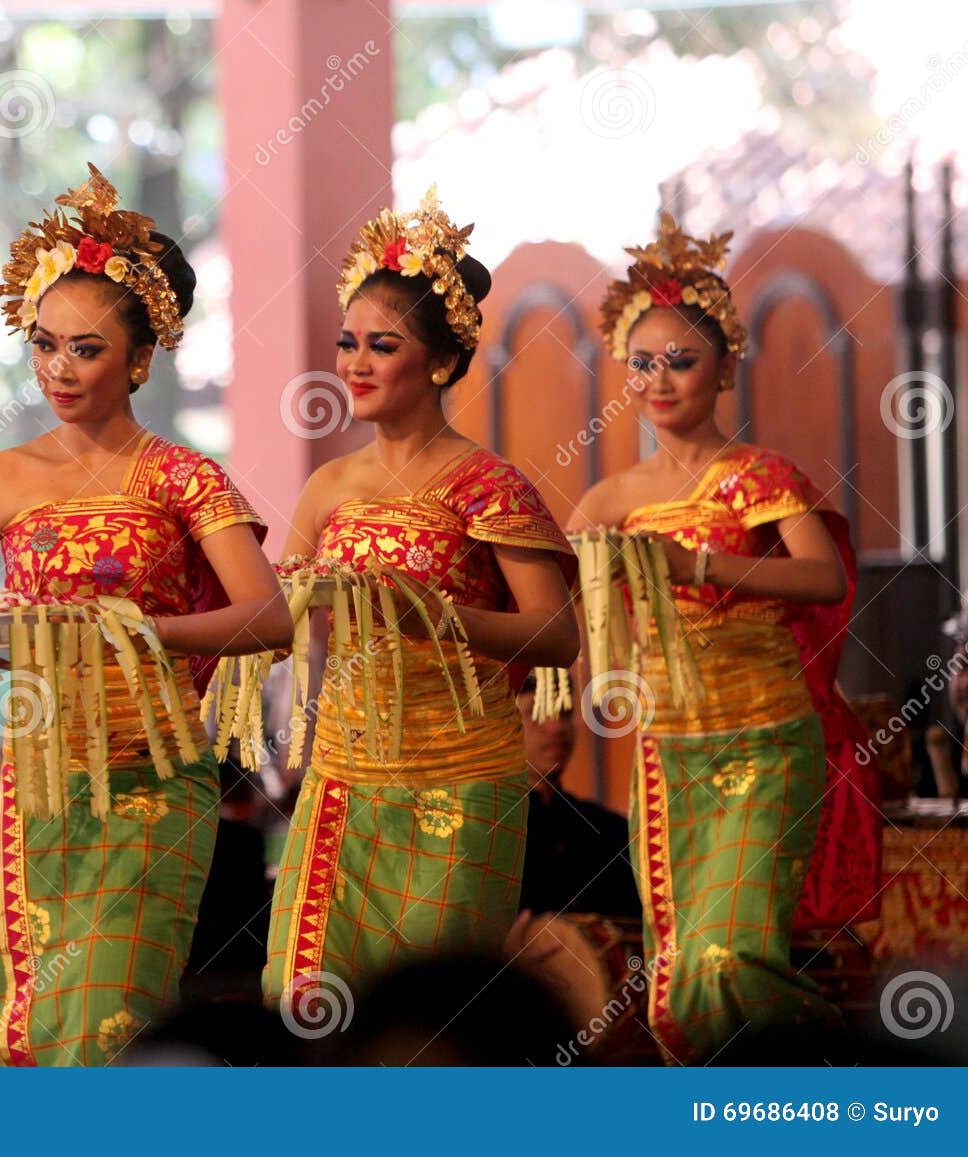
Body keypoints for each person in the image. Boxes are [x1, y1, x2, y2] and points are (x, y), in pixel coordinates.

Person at [0, 166, 291, 1065]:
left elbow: (268, 619)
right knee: (31, 1033)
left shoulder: (183, 476)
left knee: (108, 1025)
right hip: (36, 785)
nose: (57, 369)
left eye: (85, 349)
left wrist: (135, 632)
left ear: (140, 359)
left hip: (153, 780)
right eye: (43, 344)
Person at [263, 188, 579, 1011]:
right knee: (303, 997)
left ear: (439, 362)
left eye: (383, 345)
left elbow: (556, 634)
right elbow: (276, 619)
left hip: (460, 782)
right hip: (342, 775)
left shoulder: (487, 483)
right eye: (348, 343)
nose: (355, 363)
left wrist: (433, 615)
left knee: (429, 1023)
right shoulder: (329, 486)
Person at [569, 214, 864, 1063]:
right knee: (676, 987)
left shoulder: (758, 476)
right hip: (668, 753)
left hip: (766, 740)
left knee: (727, 958)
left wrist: (697, 565)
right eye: (642, 363)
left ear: (725, 367)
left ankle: (850, 1081)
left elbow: (825, 576)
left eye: (681, 360)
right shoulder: (609, 499)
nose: (659, 380)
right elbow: (561, 614)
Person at [516, 673, 641, 918]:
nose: (556, 727)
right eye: (536, 712)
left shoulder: (611, 830)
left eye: (564, 712)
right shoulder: (487, 826)